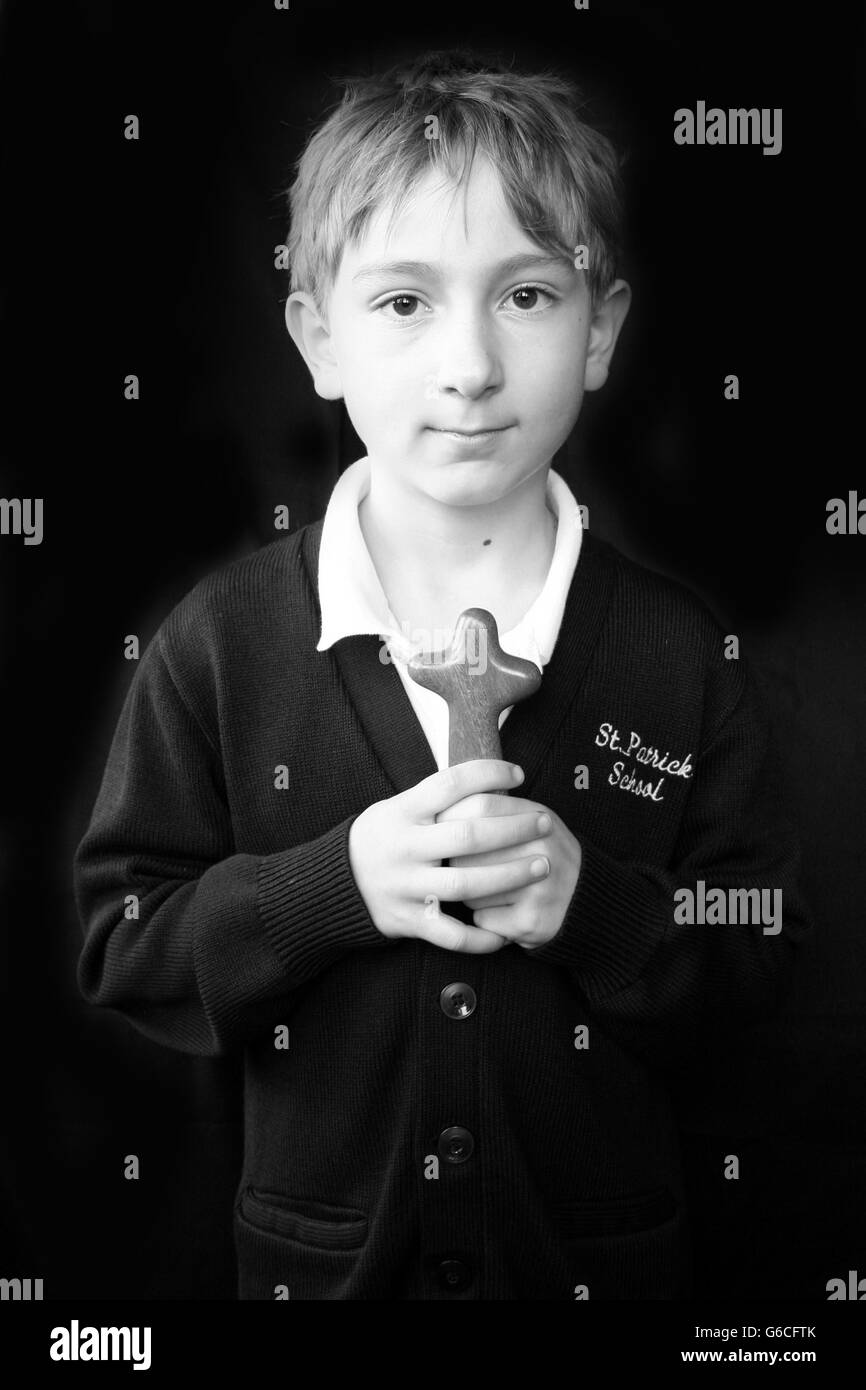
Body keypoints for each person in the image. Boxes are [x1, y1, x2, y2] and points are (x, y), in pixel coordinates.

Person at [73, 48, 812, 1300]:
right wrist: (330, 886)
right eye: (403, 302)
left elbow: (760, 960)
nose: (468, 364)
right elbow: (123, 943)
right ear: (318, 339)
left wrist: (604, 913)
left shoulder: (682, 654)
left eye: (525, 296)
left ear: (600, 332)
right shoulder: (221, 640)